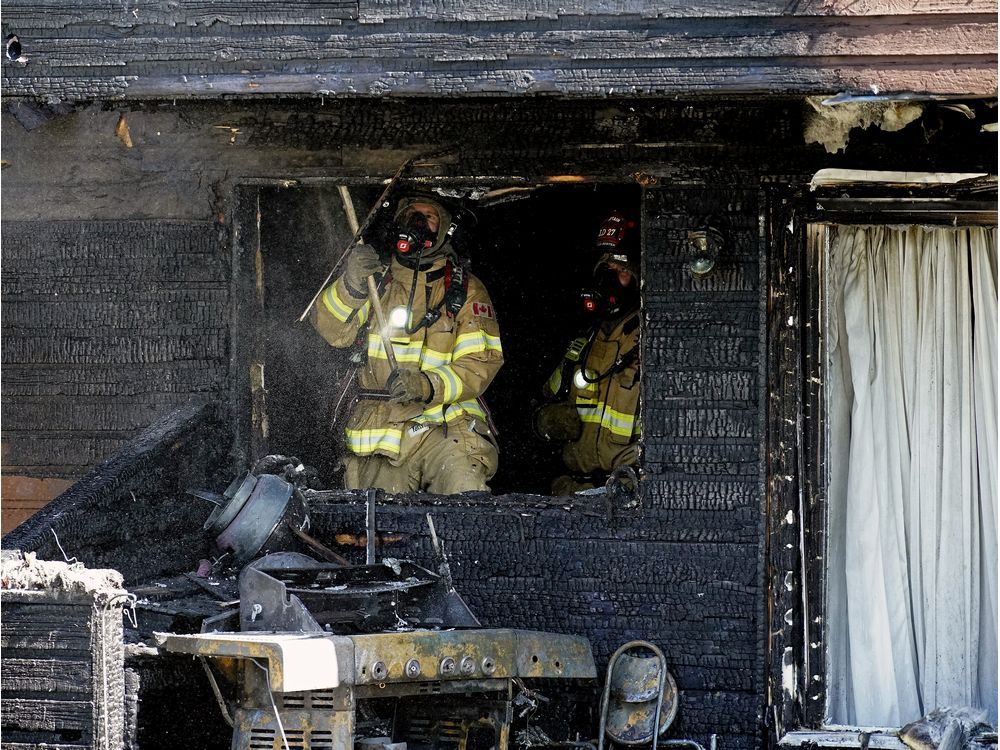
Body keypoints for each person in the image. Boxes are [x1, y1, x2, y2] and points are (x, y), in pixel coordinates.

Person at [311, 194, 503, 494]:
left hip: (444, 430)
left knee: (464, 505)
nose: (418, 223)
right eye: (412, 214)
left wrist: (427, 385)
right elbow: (332, 331)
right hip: (382, 434)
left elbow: (481, 364)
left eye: (429, 216)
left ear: (444, 230)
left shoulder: (465, 291)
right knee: (381, 532)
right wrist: (351, 285)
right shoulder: (376, 280)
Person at [534, 210, 641, 495]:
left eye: (622, 271)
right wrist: (546, 420)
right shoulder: (583, 343)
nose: (612, 280)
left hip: (627, 494)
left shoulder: (651, 343)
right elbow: (544, 401)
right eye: (606, 271)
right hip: (572, 492)